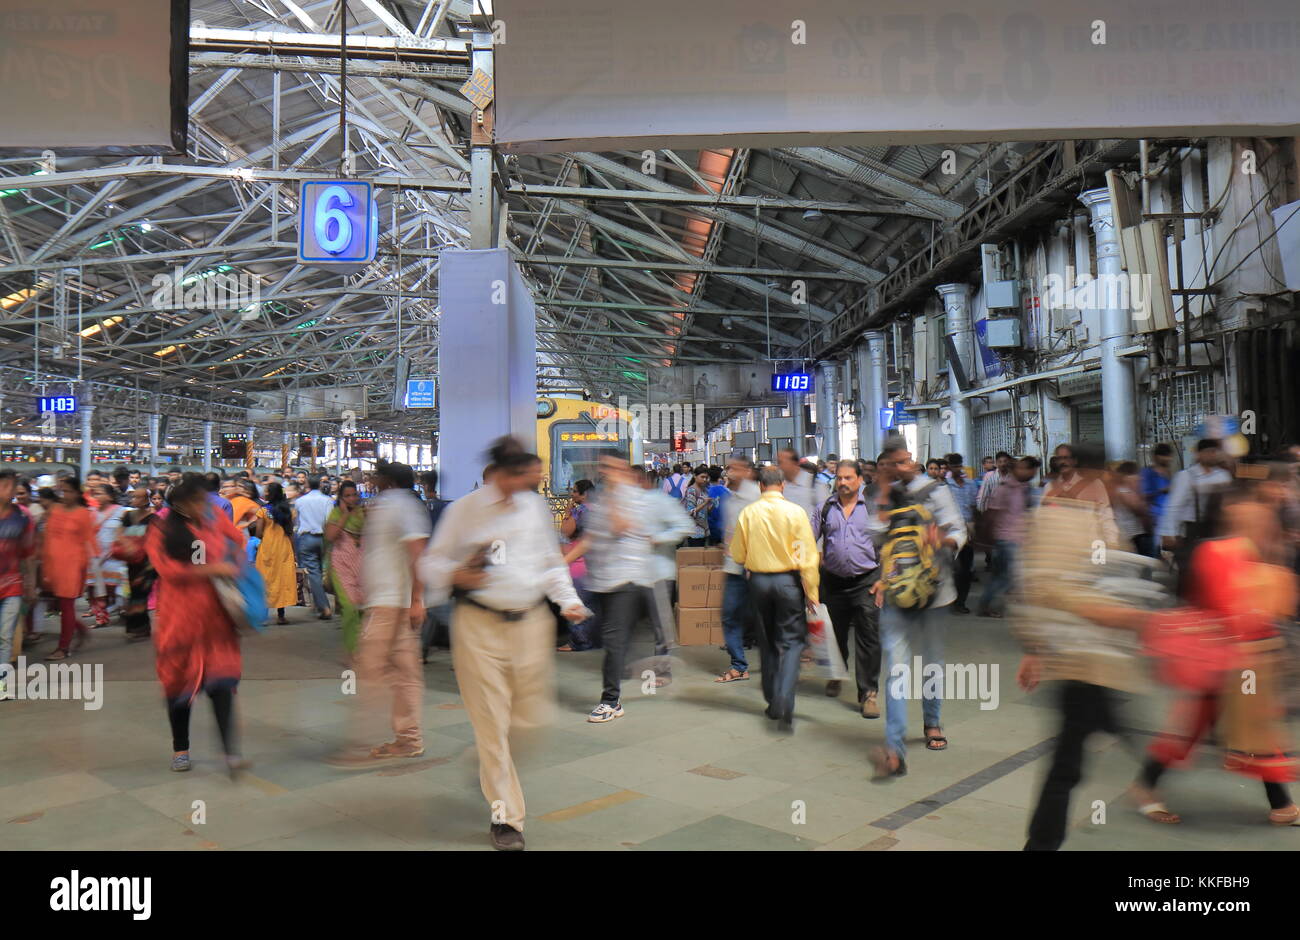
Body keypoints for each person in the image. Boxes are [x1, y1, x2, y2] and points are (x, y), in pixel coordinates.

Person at [420, 437, 588, 851]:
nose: (529, 485)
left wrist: (568, 601)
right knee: (492, 724)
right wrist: (458, 575)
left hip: (530, 624)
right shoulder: (465, 511)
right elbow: (431, 562)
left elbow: (549, 562)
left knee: (533, 721)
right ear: (497, 474)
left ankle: (487, 760)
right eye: (523, 477)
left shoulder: (532, 507)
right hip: (479, 627)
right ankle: (506, 818)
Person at [1015, 441, 1142, 850]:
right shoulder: (1059, 512)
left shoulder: (1094, 512)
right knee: (1069, 759)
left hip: (1095, 658)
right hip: (1080, 658)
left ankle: (1155, 767)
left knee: (1076, 751)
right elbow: (1043, 584)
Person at [867, 441, 966, 777]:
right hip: (896, 592)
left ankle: (932, 721)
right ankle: (894, 747)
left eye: (906, 460)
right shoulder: (883, 495)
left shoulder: (936, 491)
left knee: (932, 663)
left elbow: (958, 531)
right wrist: (882, 490)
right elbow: (876, 535)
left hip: (935, 593)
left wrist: (939, 541)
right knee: (896, 668)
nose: (903, 466)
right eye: (894, 463)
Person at [144, 476, 249, 775]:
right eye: (198, 500)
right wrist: (212, 567)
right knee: (178, 688)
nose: (205, 504)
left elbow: (237, 539)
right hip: (180, 619)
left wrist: (233, 561)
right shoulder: (161, 527)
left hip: (217, 617)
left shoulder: (213, 515)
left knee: (222, 683)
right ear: (180, 503)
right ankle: (181, 748)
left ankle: (231, 754)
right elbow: (168, 570)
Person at [328, 462, 430, 768]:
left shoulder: (403, 506)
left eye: (375, 476)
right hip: (389, 603)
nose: (370, 480)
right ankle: (408, 740)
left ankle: (359, 746)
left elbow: (417, 552)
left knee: (369, 671)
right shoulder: (386, 505)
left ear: (387, 480)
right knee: (405, 674)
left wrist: (416, 599)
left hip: (391, 605)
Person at [730, 465, 820, 733]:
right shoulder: (795, 513)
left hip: (758, 582)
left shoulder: (748, 513)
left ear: (760, 486)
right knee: (791, 643)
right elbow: (808, 555)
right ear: (782, 485)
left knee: (767, 642)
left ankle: (772, 701)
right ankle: (785, 699)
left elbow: (737, 554)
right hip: (788, 582)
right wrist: (811, 592)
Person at [813, 458, 882, 717]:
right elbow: (809, 540)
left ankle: (869, 694)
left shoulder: (874, 508)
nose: (842, 483)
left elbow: (890, 545)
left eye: (848, 478)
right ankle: (836, 673)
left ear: (860, 480)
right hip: (833, 581)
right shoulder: (824, 508)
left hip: (867, 581)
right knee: (836, 635)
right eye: (839, 478)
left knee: (869, 638)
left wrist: (884, 577)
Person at [1158, 439, 1232, 591]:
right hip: (1191, 532)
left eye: (1214, 452)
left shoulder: (1223, 476)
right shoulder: (1186, 476)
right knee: (1190, 574)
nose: (1212, 455)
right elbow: (1174, 506)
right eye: (1208, 452)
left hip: (1215, 531)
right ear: (1198, 454)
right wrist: (1168, 533)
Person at [715, 456, 761, 684]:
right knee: (730, 615)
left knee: (763, 616)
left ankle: (779, 659)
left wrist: (752, 561)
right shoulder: (730, 497)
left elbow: (762, 532)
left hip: (755, 568)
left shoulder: (756, 496)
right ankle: (739, 666)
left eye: (733, 468)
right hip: (734, 567)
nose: (728, 472)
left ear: (745, 471)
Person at [41, 478, 97, 661]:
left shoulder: (83, 513)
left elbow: (90, 541)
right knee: (59, 605)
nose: (65, 495)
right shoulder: (55, 510)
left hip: (73, 565)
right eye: (63, 491)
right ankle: (80, 629)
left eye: (69, 492)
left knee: (66, 605)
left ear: (78, 494)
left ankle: (63, 648)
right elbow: (48, 538)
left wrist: (91, 567)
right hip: (53, 564)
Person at [977, 456, 1039, 619]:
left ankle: (989, 603)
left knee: (1003, 575)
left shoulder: (1025, 487)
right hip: (1007, 538)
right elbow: (991, 512)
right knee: (1007, 576)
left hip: (1018, 538)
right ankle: (987, 605)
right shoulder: (1005, 487)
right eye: (1026, 468)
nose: (1031, 473)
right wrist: (986, 540)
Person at [0, 471, 35, 698]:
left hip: (12, 586)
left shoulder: (23, 518)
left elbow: (29, 554)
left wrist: (31, 584)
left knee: (5, 636)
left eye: (12, 487)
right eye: (4, 486)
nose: (10, 491)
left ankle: (2, 686)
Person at [324, 480, 366, 656]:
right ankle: (352, 651)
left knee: (364, 607)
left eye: (354, 494)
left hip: (363, 563)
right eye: (347, 495)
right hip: (341, 564)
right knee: (349, 607)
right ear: (341, 498)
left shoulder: (364, 513)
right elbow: (331, 536)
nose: (351, 498)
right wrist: (344, 515)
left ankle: (364, 648)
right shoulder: (335, 514)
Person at [114, 485, 158, 642]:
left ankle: (139, 627)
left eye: (139, 497)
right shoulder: (127, 516)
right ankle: (140, 627)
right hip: (132, 561)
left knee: (140, 593)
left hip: (148, 563)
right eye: (134, 497)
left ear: (147, 500)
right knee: (134, 593)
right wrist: (127, 545)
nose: (135, 500)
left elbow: (155, 541)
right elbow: (119, 533)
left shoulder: (153, 519)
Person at [254, 482, 297, 625]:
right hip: (283, 547)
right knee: (281, 579)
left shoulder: (263, 511)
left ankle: (262, 615)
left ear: (270, 494)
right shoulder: (288, 511)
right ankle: (281, 615)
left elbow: (259, 532)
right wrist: (294, 550)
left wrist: (265, 536)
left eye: (267, 492)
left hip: (268, 547)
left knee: (265, 579)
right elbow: (290, 532)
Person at [85, 482, 127, 628]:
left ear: (109, 497)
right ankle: (101, 618)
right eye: (94, 494)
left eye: (99, 493)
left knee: (117, 589)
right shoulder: (90, 512)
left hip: (114, 558)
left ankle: (122, 611)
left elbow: (125, 532)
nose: (96, 496)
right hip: (95, 557)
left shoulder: (122, 512)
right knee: (95, 590)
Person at [294, 475, 334, 619]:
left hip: (307, 537)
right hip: (323, 537)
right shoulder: (328, 501)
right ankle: (324, 603)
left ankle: (323, 606)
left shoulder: (300, 501)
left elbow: (297, 522)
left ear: (307, 485)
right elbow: (330, 521)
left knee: (314, 573)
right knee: (323, 571)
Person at [945, 453, 978, 614]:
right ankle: (948, 600)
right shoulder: (944, 485)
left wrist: (974, 530)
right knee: (950, 569)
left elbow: (973, 507)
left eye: (959, 465)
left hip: (966, 530)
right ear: (949, 467)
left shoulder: (970, 484)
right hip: (948, 532)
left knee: (965, 569)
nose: (957, 468)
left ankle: (960, 602)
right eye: (954, 465)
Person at [1139, 443, 1176, 550]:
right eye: (1164, 455)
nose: (1168, 459)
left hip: (1169, 518)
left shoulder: (1169, 473)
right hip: (1154, 519)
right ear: (1156, 457)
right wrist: (1163, 490)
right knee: (1156, 550)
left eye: (1169, 456)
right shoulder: (1147, 473)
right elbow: (1144, 494)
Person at [777, 447, 827, 522]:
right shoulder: (780, 487)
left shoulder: (814, 484)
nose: (779, 466)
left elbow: (828, 514)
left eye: (781, 462)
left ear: (794, 463)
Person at [681, 467, 713, 546]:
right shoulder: (691, 490)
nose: (704, 479)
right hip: (694, 532)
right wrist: (704, 503)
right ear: (695, 476)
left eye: (706, 477)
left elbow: (706, 511)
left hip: (704, 530)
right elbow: (690, 512)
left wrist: (710, 506)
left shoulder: (704, 490)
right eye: (702, 477)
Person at [705, 466, 728, 547]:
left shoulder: (705, 491)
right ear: (720, 477)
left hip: (710, 527)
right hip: (724, 527)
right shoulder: (727, 491)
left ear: (708, 477)